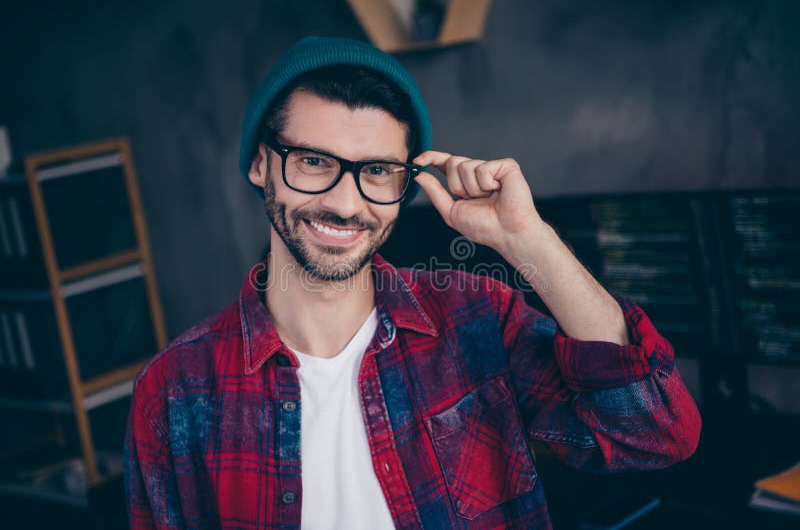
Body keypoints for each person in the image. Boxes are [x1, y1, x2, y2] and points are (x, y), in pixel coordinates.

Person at [124, 36, 701, 530]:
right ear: (259, 165)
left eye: (377, 171)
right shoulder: (174, 391)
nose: (346, 203)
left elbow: (655, 435)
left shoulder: (477, 321)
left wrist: (529, 241)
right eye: (312, 162)